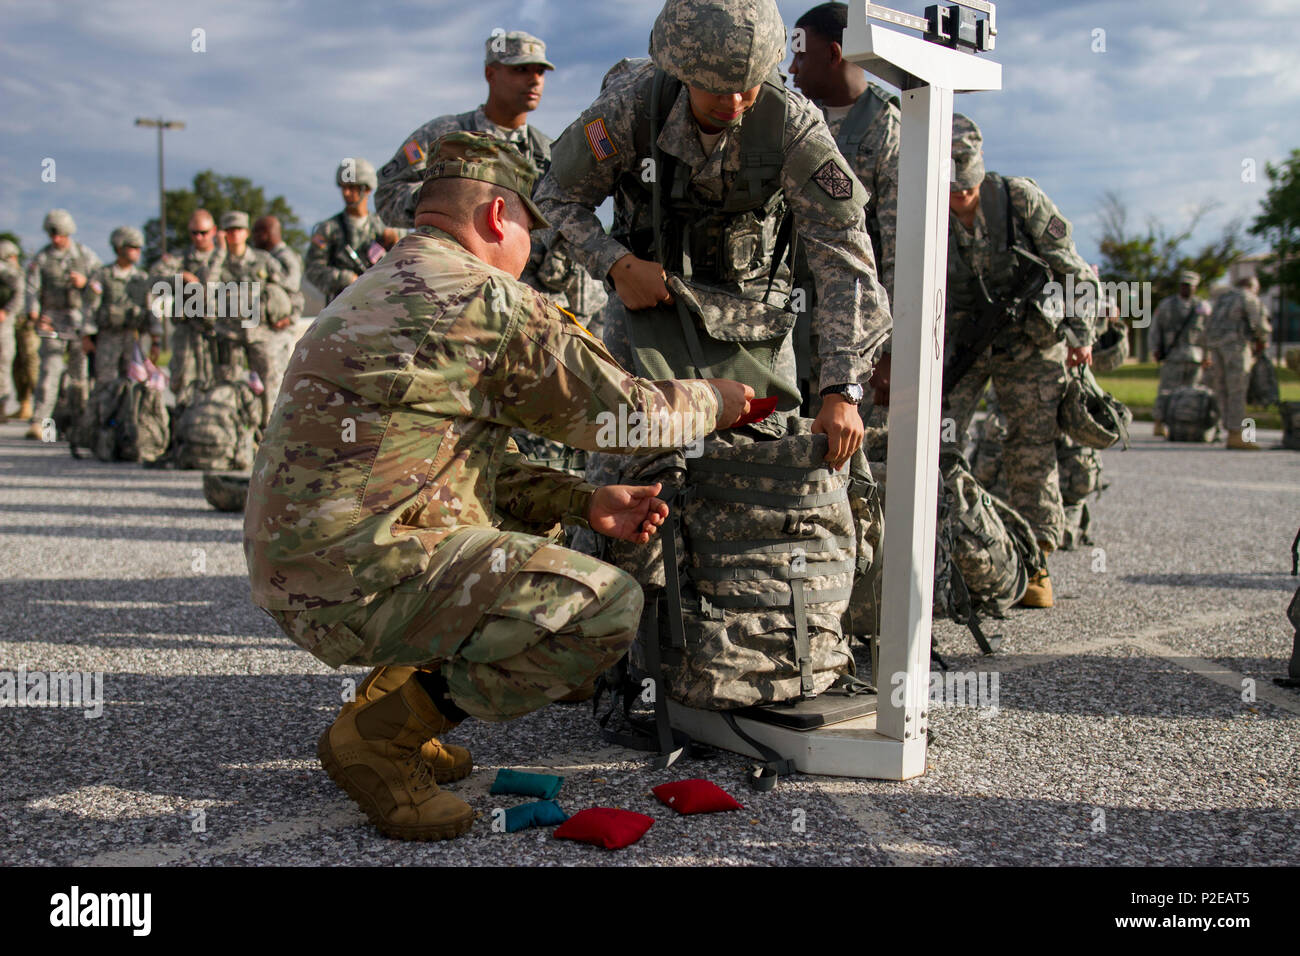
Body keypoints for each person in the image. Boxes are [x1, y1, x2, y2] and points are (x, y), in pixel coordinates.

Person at [244, 132, 753, 841]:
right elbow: (630, 417)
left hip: (297, 572)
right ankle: (380, 738)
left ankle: (395, 701)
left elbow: (446, 464)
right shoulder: (485, 298)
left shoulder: (374, 288)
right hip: (357, 581)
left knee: (523, 527)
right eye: (529, 230)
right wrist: (721, 399)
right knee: (605, 607)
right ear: (495, 219)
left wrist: (583, 501)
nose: (532, 251)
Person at [535, 0, 890, 502]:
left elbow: (845, 257)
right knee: (628, 463)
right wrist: (614, 263)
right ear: (680, 72)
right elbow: (552, 198)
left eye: (748, 85)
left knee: (767, 487)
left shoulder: (789, 123)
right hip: (645, 314)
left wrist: (842, 390)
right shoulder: (630, 108)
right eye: (717, 88)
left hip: (755, 328)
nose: (735, 101)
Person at [376, 30, 608, 472]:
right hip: (468, 302)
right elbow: (387, 193)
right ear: (490, 73)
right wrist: (453, 204)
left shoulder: (551, 151)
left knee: (552, 427)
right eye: (521, 69)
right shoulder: (447, 136)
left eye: (540, 71)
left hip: (544, 303)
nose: (534, 80)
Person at [941, 115, 1099, 608]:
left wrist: (1081, 333)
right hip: (964, 340)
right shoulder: (919, 203)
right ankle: (945, 551)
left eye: (965, 187)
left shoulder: (1018, 199)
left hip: (1030, 338)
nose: (958, 196)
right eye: (951, 187)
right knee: (936, 435)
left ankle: (1036, 564)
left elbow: (1073, 269)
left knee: (1031, 447)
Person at [789, 1, 899, 300]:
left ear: (834, 54)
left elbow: (897, 244)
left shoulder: (888, 128)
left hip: (853, 310)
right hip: (796, 303)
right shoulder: (799, 119)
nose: (792, 68)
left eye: (801, 56)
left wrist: (893, 333)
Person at [24, 209, 102, 439]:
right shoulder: (42, 259)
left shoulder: (84, 255)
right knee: (50, 372)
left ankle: (80, 425)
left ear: (68, 232)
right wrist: (35, 315)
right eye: (51, 234)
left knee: (80, 376)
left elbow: (101, 285)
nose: (55, 238)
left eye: (58, 233)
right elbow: (32, 290)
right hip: (52, 322)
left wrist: (85, 282)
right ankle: (40, 422)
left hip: (79, 322)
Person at [211, 211, 289, 426]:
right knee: (228, 387)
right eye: (229, 230)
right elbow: (206, 287)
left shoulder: (262, 260)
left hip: (260, 334)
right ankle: (232, 437)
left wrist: (289, 317)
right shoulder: (217, 261)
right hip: (228, 335)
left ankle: (268, 433)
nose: (234, 234)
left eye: (238, 230)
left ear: (246, 233)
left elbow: (289, 288)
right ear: (223, 233)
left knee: (271, 387)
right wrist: (218, 252)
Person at [151, 209, 225, 398]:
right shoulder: (180, 258)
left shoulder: (223, 258)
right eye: (194, 233)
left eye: (204, 232)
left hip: (217, 332)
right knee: (182, 383)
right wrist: (180, 277)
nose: (199, 237)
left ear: (214, 230)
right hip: (186, 331)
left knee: (219, 384)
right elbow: (153, 279)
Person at [304, 159, 398, 304]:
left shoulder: (386, 227)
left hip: (379, 307)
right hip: (341, 308)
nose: (346, 193)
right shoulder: (328, 229)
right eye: (343, 187)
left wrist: (396, 245)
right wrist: (346, 279)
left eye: (352, 187)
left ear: (366, 189)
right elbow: (312, 269)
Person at [1204, 274, 1272, 450]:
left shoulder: (1222, 299)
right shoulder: (1248, 297)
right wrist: (1262, 340)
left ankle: (1229, 429)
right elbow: (1260, 324)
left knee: (1222, 389)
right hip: (1236, 348)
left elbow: (1208, 324)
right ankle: (1237, 434)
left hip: (1216, 348)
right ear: (1251, 286)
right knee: (1237, 389)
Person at [84, 227, 155, 385]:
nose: (137, 251)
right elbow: (90, 306)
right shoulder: (102, 275)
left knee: (134, 384)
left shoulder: (141, 278)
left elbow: (150, 309)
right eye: (133, 247)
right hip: (108, 338)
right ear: (119, 248)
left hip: (134, 338)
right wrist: (87, 336)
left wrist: (154, 340)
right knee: (106, 383)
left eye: (139, 248)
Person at [252, 214, 304, 421]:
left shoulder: (283, 257)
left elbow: (292, 285)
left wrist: (270, 274)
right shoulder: (270, 256)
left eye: (256, 233)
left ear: (265, 234)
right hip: (267, 332)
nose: (253, 238)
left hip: (278, 333)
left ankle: (275, 426)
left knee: (275, 385)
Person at [1149, 270, 1209, 437]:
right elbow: (1156, 328)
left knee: (1192, 392)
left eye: (1189, 286)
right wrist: (1155, 348)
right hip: (1173, 355)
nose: (1185, 288)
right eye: (1183, 285)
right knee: (1166, 390)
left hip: (1194, 356)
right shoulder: (1166, 305)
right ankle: (1159, 422)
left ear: (1195, 287)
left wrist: (1208, 355)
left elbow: (1208, 333)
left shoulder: (1202, 307)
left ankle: (1188, 424)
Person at [0, 239, 25, 419]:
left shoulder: (11, 273)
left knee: (4, 363)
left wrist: (6, 311)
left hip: (5, 325)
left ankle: (2, 404)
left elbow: (20, 293)